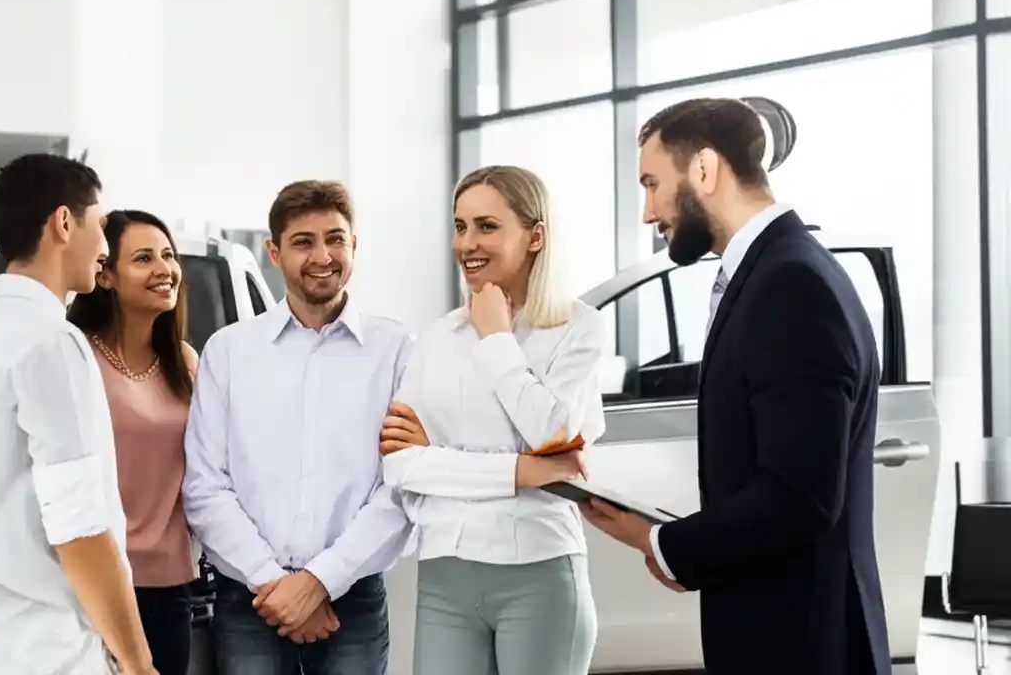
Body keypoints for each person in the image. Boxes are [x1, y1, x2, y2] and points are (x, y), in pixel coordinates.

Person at [580, 97, 890, 674]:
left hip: (800, 644)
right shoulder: (775, 271)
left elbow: (800, 494)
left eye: (652, 184)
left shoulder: (791, 283)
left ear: (704, 168)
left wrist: (664, 544)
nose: (647, 213)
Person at [0, 154, 155, 674]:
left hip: (6, 642)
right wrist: (137, 661)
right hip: (65, 648)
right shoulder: (52, 340)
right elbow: (79, 528)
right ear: (63, 223)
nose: (105, 247)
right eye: (100, 224)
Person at [182, 180, 414, 675]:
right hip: (250, 596)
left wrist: (319, 581)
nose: (322, 256)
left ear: (355, 244)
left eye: (335, 239)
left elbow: (401, 485)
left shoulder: (396, 350)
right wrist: (274, 583)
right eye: (303, 242)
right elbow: (205, 486)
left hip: (353, 597)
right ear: (275, 252)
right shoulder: (229, 352)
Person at [379, 165, 603, 675]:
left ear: (535, 236)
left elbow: (554, 434)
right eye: (460, 227)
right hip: (444, 576)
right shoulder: (437, 337)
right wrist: (522, 471)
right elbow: (402, 465)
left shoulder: (578, 327)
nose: (467, 244)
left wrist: (497, 338)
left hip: (540, 572)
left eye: (487, 226)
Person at [67, 209, 200, 675]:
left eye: (168, 255)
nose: (164, 269)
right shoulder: (78, 359)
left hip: (170, 586)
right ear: (105, 274)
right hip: (97, 588)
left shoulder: (184, 362)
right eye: (144, 258)